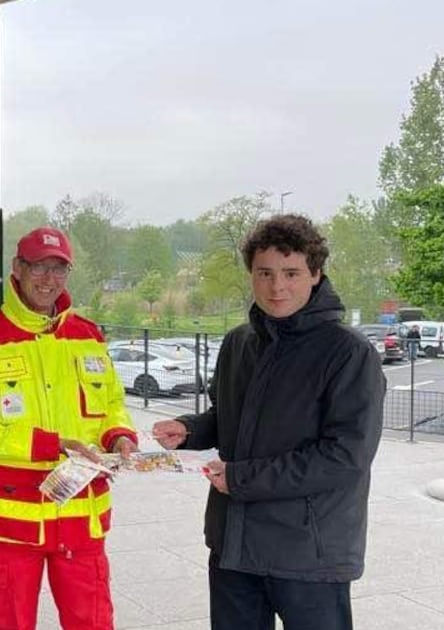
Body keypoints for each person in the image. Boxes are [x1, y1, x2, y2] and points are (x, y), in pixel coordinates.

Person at [152, 214, 385, 630]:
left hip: (309, 553)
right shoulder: (239, 342)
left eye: (291, 272)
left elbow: (345, 456)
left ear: (315, 274)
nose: (277, 287)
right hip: (234, 547)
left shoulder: (349, 352)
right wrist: (190, 430)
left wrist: (242, 478)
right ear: (251, 276)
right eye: (265, 273)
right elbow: (228, 419)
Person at [0, 226, 138, 630]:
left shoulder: (88, 336)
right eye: (39, 266)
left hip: (81, 515)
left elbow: (112, 404)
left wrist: (119, 435)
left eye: (59, 269)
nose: (48, 279)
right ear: (17, 269)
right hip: (10, 521)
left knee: (92, 622)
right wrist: (51, 445)